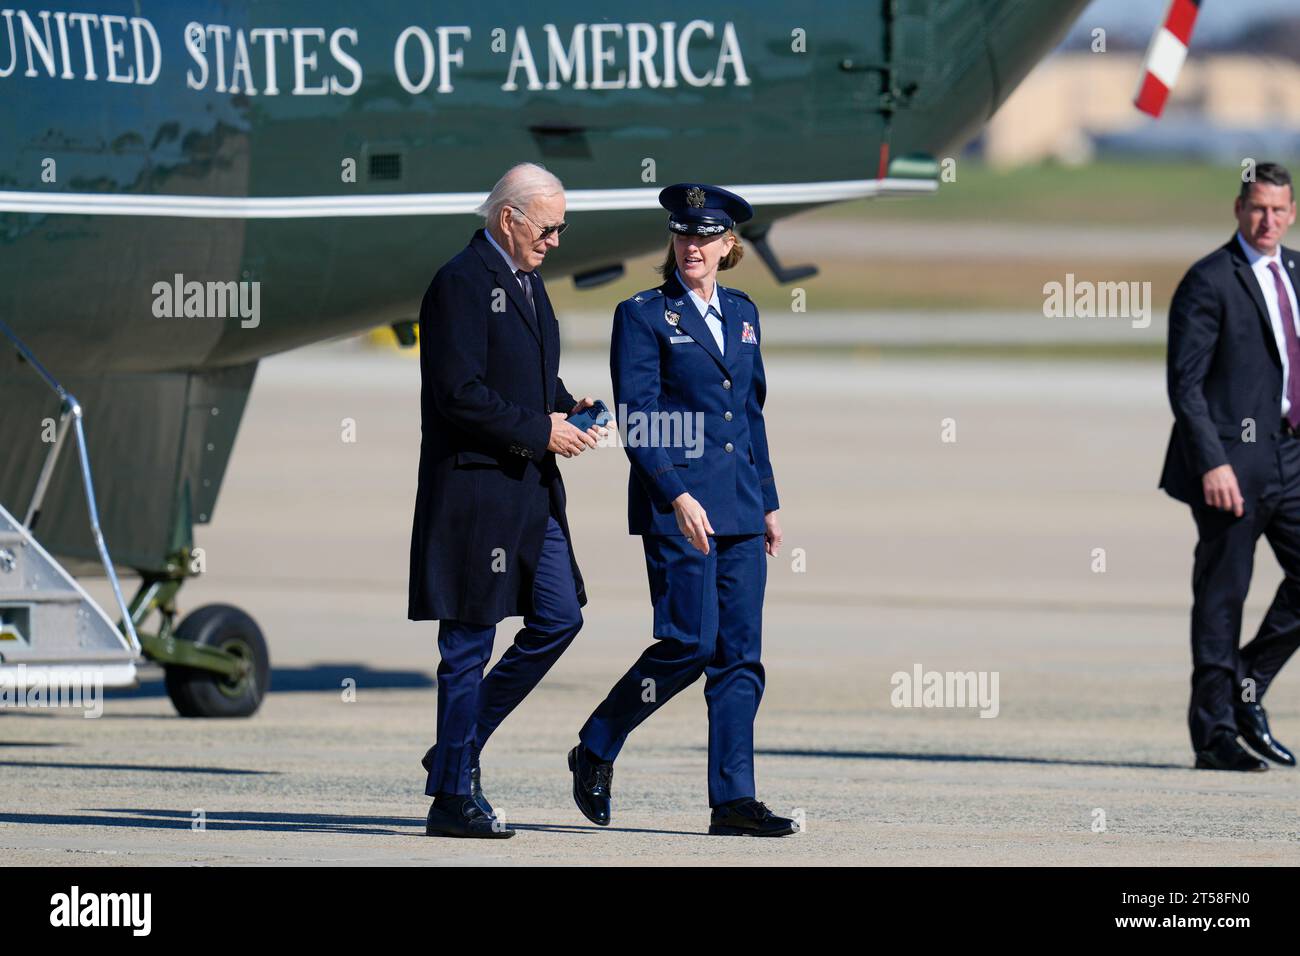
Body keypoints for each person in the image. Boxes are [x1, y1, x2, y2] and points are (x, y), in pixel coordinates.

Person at [568, 183, 796, 836]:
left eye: (706, 236)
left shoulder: (746, 313)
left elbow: (748, 415)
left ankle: (733, 801)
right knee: (689, 643)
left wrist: (770, 502)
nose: (693, 246)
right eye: (683, 234)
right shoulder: (643, 314)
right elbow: (637, 418)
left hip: (741, 508)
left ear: (729, 246)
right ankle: (597, 743)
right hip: (678, 505)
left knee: (739, 657)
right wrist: (678, 494)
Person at [409, 163, 606, 837]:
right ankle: (452, 798)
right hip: (476, 494)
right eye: (548, 228)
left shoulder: (526, 279)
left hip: (531, 491)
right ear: (509, 220)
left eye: (561, 228)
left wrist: (564, 405)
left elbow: (527, 374)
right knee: (468, 644)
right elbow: (457, 392)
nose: (555, 241)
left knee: (560, 617)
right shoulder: (460, 283)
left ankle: (454, 754)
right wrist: (539, 429)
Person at [1160, 161, 1300, 772]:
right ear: (1238, 210)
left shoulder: (1296, 271)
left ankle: (1243, 687)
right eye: (1257, 209)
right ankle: (1213, 735)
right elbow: (1185, 385)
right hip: (1230, 466)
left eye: (1279, 209)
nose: (1268, 221)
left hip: (1290, 455)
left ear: (1292, 213)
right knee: (1222, 598)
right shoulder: (1210, 279)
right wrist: (1212, 463)